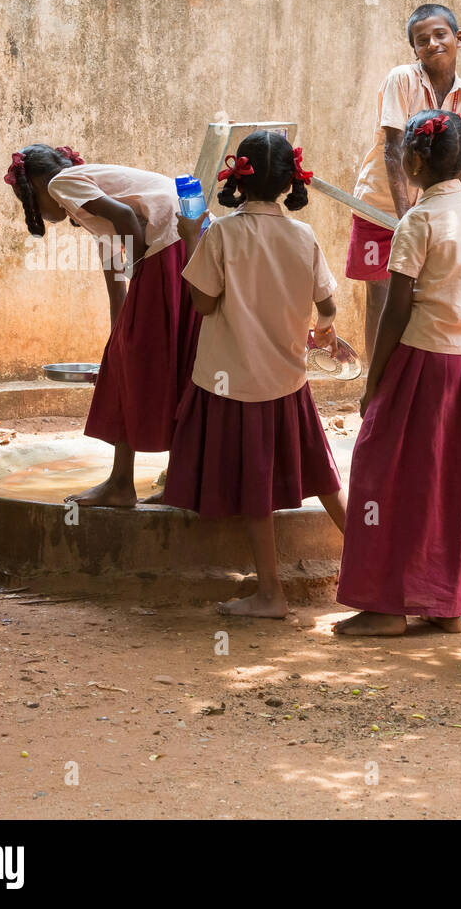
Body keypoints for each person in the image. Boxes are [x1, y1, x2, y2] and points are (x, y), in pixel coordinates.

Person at [334, 111, 461, 636]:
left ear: (413, 161)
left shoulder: (418, 220)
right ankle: (446, 602)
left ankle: (388, 605)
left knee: (386, 476)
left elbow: (397, 305)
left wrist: (375, 381)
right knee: (450, 480)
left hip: (419, 362)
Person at [163, 130, 346, 619]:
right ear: (291, 183)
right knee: (324, 476)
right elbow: (326, 302)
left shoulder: (220, 233)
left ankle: (270, 593)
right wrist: (324, 331)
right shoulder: (302, 236)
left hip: (231, 381)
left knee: (254, 486)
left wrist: (190, 241)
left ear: (236, 182)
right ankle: (381, 569)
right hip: (287, 380)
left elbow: (203, 303)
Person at [4, 143, 201, 507]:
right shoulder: (94, 204)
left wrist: (139, 270)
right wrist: (117, 345)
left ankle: (122, 484)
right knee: (172, 363)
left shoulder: (62, 183)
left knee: (157, 365)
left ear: (34, 185)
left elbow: (127, 218)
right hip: (188, 247)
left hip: (167, 252)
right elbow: (117, 285)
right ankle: (166, 482)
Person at [345, 3, 461, 363]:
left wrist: (458, 218)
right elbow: (394, 149)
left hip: (435, 215)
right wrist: (405, 216)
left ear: (458, 38)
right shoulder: (402, 80)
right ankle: (377, 382)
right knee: (381, 294)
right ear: (414, 49)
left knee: (423, 294)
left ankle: (409, 377)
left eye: (440, 35)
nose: (432, 43)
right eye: (421, 40)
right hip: (380, 208)